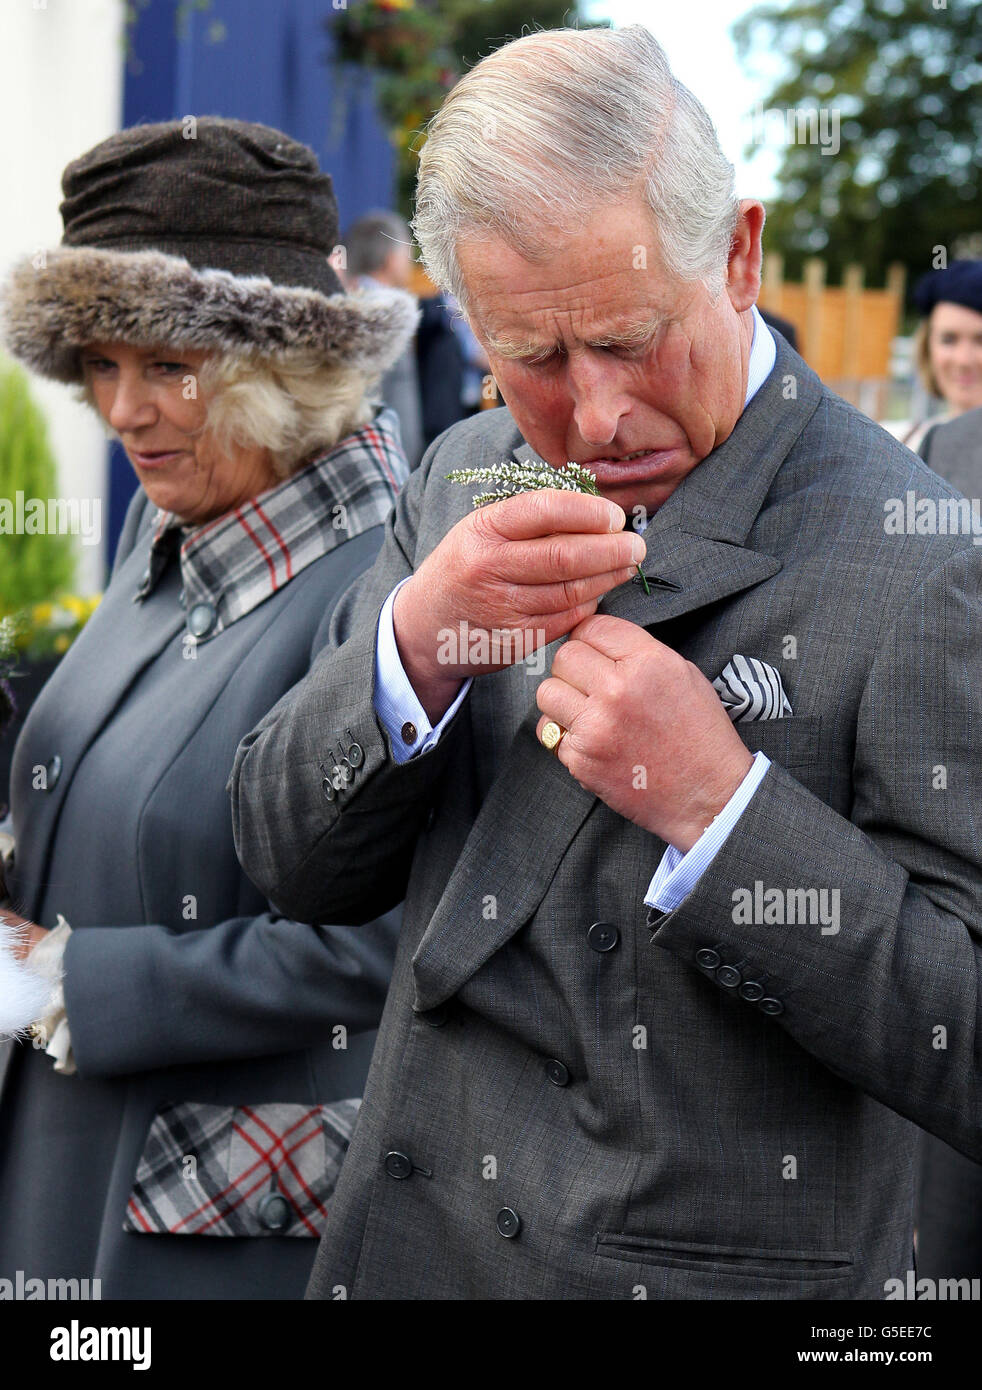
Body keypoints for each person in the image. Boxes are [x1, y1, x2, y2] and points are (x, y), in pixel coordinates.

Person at [230, 27, 982, 1300]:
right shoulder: (464, 473)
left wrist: (722, 812)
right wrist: (412, 647)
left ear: (737, 255)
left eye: (633, 339)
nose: (595, 419)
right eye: (529, 359)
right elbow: (285, 862)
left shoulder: (918, 557)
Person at [0, 117, 418, 1299]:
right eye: (100, 363)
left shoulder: (396, 589)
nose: (124, 410)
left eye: (168, 366)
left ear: (285, 364)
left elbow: (401, 947)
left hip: (209, 1230)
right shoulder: (171, 520)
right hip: (53, 1162)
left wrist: (74, 981)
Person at [343, 210, 424, 469]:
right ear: (391, 259)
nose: (410, 262)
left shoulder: (351, 304)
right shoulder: (386, 310)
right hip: (388, 464)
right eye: (406, 253)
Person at [896, 260, 982, 452]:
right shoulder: (903, 446)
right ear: (927, 347)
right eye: (948, 340)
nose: (963, 360)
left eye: (981, 340)